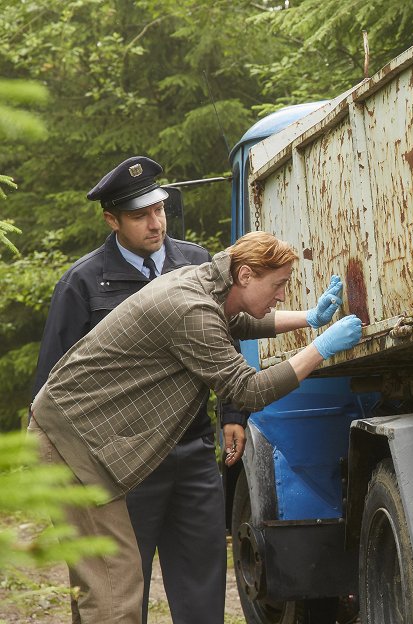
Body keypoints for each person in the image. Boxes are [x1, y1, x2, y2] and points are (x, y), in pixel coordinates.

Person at [29, 197, 360, 620]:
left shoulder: (201, 281)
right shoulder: (190, 307)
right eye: (278, 285)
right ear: (243, 274)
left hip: (87, 443)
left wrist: (308, 318)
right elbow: (248, 389)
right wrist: (320, 349)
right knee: (114, 591)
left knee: (120, 580)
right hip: (72, 449)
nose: (282, 295)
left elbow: (234, 321)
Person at [32, 155, 248, 624]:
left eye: (160, 209)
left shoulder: (195, 263)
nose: (155, 223)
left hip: (191, 450)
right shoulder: (83, 283)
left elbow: (225, 337)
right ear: (112, 220)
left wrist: (233, 414)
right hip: (120, 464)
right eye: (139, 215)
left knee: (203, 587)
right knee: (115, 593)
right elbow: (51, 389)